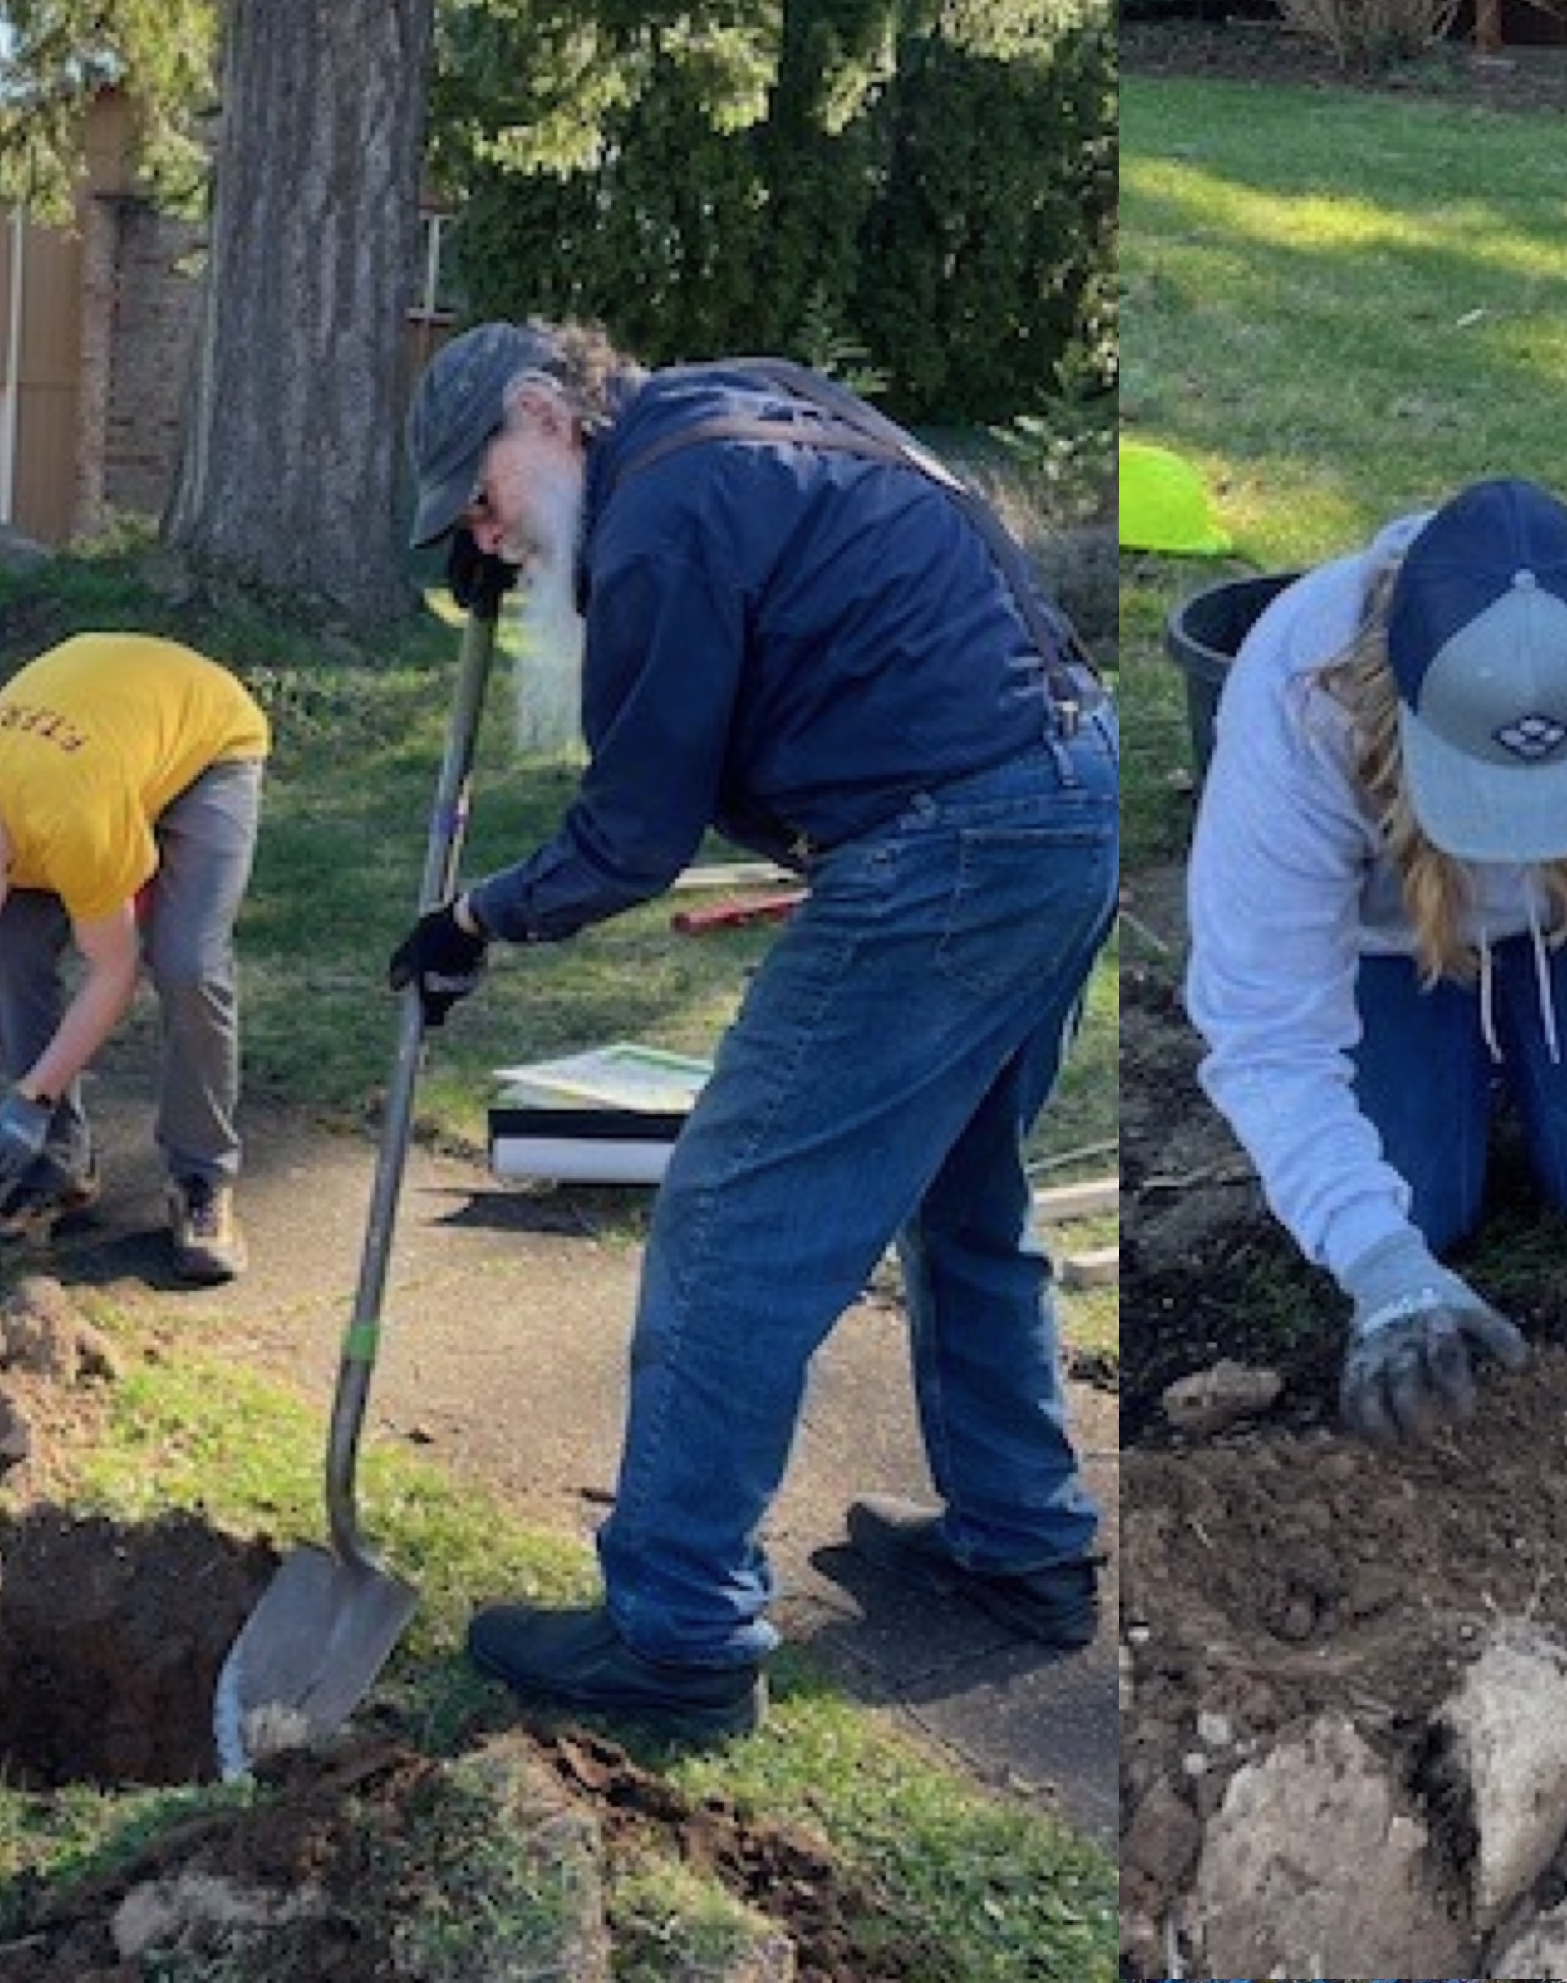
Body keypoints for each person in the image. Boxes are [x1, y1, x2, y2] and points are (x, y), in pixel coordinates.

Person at [382, 318, 1117, 1738]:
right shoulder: (731, 407)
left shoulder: (655, 523)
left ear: (542, 412)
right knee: (965, 1192)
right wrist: (533, 557)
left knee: (731, 1218)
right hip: (1062, 785)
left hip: (948, 839)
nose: (487, 535)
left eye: (481, 496)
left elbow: (636, 830)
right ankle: (1020, 1539)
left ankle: (676, 1630)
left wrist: (475, 920)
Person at [1182, 478, 1567, 1446]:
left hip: (1566, 922)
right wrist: (1378, 1260)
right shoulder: (1298, 701)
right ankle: (1460, 1063)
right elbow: (1265, 1026)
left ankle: (1533, 1063)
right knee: (1416, 1204)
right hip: (1391, 943)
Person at [0, 632, 269, 1289]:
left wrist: (28, 1096)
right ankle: (58, 1165)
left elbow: (114, 972)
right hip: (97, 733)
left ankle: (201, 1178)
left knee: (187, 965)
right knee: (9, 954)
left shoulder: (74, 820)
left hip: (205, 739)